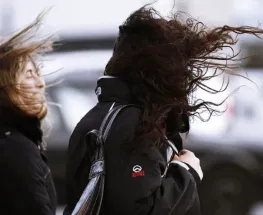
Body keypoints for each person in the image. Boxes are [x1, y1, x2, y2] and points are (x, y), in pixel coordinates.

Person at [63, 5, 263, 215]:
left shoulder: (98, 117)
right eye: (176, 66)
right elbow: (142, 208)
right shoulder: (132, 123)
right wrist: (185, 171)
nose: (184, 76)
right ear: (156, 70)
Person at [0, 12, 56, 215]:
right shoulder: (15, 149)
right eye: (29, 74)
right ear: (6, 84)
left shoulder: (17, 141)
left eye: (38, 73)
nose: (40, 83)